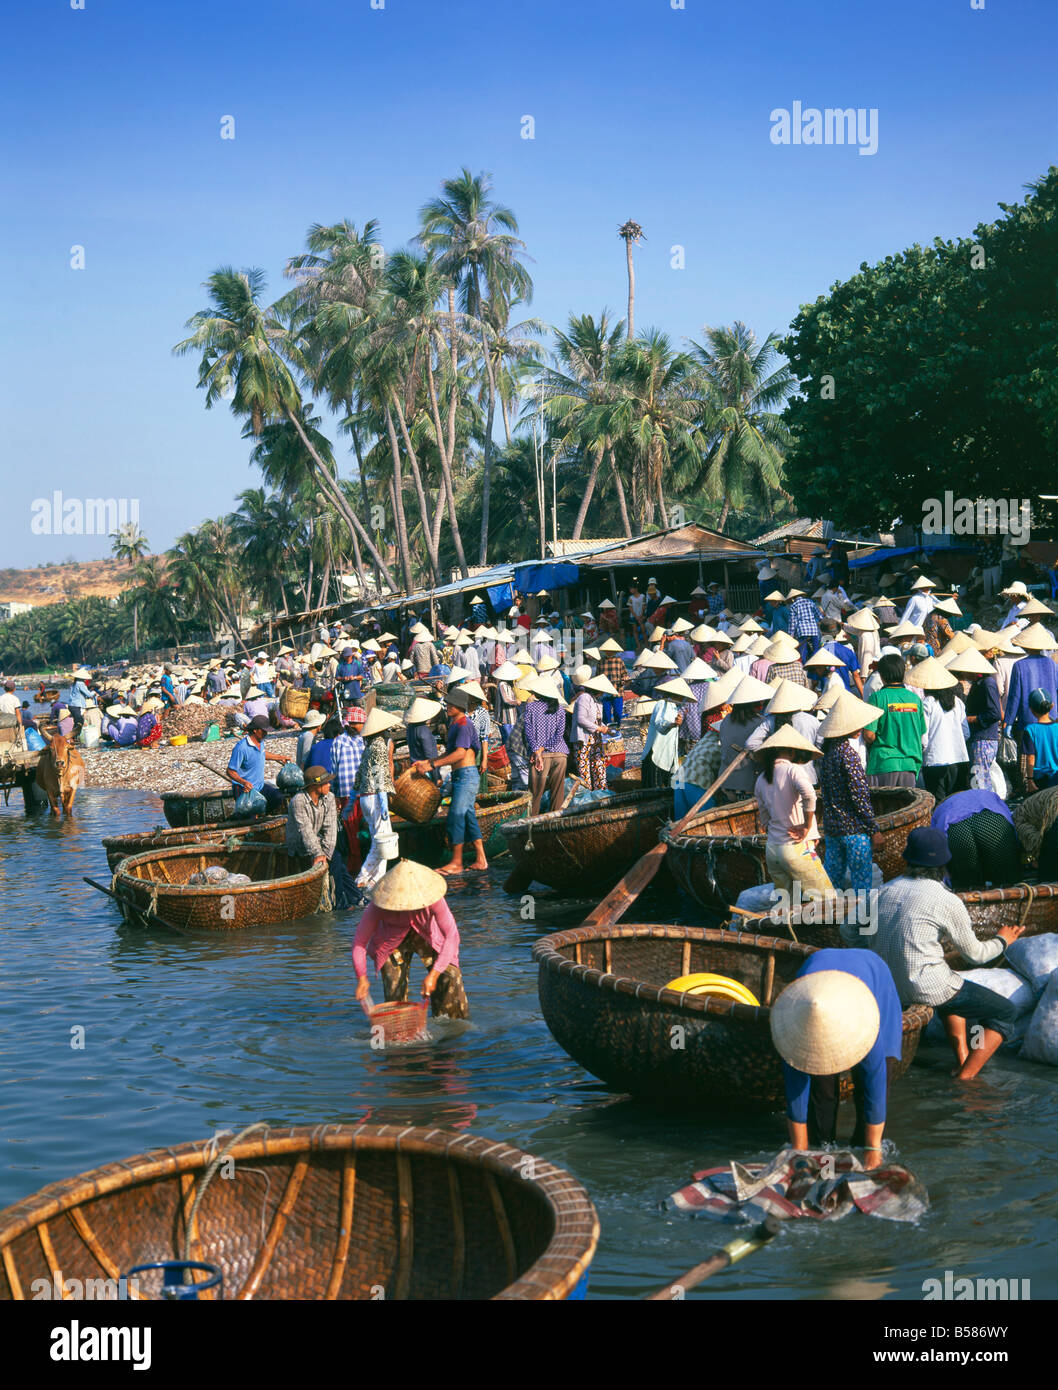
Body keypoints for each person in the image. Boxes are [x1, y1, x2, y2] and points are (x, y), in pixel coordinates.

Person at [850, 828, 1024, 1079]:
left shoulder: (882, 892)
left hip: (887, 986)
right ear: (944, 865)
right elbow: (976, 955)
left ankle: (962, 1059)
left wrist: (872, 949)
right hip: (925, 986)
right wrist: (1002, 940)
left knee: (949, 986)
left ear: (907, 860)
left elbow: (848, 930)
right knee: (1005, 1012)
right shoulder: (946, 899)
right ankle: (968, 1077)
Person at [771, 949, 903, 1165]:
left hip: (875, 978)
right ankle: (822, 1145)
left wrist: (872, 1150)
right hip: (814, 991)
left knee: (867, 1090)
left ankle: (862, 1143)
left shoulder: (865, 1023)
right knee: (821, 1092)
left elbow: (875, 1086)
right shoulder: (795, 1027)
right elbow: (797, 1091)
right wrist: (799, 1152)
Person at [353, 860, 469, 1020]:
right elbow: (359, 942)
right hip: (390, 942)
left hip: (427, 936)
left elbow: (452, 935)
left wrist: (434, 975)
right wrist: (362, 978)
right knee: (395, 995)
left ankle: (451, 1029)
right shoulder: (378, 905)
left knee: (450, 975)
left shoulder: (432, 899)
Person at [413, 687, 487, 874]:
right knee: (468, 815)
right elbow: (451, 752)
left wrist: (432, 765)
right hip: (461, 776)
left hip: (467, 775)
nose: (447, 706)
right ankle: (481, 859)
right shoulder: (456, 725)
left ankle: (456, 862)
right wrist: (429, 762)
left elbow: (461, 753)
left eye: (451, 704)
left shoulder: (463, 725)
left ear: (460, 706)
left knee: (456, 815)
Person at [754, 726, 833, 900]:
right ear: (791, 751)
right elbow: (810, 796)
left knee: (788, 904)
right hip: (795, 848)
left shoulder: (761, 779)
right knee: (827, 900)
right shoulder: (792, 770)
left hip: (773, 849)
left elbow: (765, 818)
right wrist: (806, 826)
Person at [817, 692, 882, 894]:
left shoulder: (828, 754)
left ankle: (832, 921)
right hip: (854, 830)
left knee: (833, 881)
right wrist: (874, 829)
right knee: (861, 885)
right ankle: (862, 922)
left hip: (833, 828)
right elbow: (860, 797)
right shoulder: (848, 754)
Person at [932, 787, 1021, 889]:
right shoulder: (985, 793)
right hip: (991, 821)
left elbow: (937, 843)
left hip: (955, 827)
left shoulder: (940, 809)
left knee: (969, 886)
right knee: (1006, 879)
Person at [355, 707, 402, 893]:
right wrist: (383, 798)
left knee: (380, 839)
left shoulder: (369, 747)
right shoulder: (380, 746)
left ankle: (376, 880)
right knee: (383, 842)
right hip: (375, 796)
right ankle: (363, 878)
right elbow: (380, 772)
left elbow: (359, 776)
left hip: (365, 797)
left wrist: (352, 800)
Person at [863, 653, 926, 789]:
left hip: (883, 764)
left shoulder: (877, 698)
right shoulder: (915, 699)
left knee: (884, 809)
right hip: (910, 765)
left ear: (882, 675)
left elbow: (868, 735)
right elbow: (921, 732)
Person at [286, 764, 339, 910]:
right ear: (316, 786)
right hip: (300, 847)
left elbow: (331, 828)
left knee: (337, 862)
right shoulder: (298, 801)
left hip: (319, 844)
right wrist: (317, 854)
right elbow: (306, 831)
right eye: (326, 782)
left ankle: (344, 901)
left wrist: (325, 856)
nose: (329, 784)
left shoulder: (329, 797)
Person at [917, 660, 969, 802]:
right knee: (955, 803)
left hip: (935, 760)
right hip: (958, 759)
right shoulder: (957, 702)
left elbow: (924, 737)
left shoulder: (928, 702)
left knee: (939, 804)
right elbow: (966, 733)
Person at [523, 674, 569, 816]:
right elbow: (559, 735)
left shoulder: (530, 707)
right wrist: (541, 750)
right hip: (560, 754)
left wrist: (537, 751)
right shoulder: (560, 709)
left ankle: (530, 826)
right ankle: (554, 824)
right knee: (557, 793)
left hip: (541, 756)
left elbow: (528, 732)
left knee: (535, 793)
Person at [226, 714, 289, 809]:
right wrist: (243, 782)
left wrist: (279, 757)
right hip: (244, 789)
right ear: (255, 730)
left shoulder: (260, 742)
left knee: (278, 797)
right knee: (249, 813)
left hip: (259, 786)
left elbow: (262, 754)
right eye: (264, 731)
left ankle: (264, 815)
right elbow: (230, 771)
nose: (266, 734)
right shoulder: (241, 748)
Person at [641, 677, 694, 789]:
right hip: (656, 755)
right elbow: (660, 724)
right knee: (653, 791)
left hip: (668, 756)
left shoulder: (675, 707)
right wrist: (673, 724)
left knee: (671, 789)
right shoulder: (662, 704)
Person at [571, 674, 615, 790]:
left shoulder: (598, 702)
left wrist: (607, 729)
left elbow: (597, 721)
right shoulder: (584, 698)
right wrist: (600, 729)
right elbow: (581, 720)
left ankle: (600, 791)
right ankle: (587, 794)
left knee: (599, 765)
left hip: (596, 739)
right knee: (584, 769)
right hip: (583, 740)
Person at [1023, 689, 1058, 792]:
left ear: (1031, 709)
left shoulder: (1030, 730)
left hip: (1040, 779)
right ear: (1052, 706)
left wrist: (1029, 780)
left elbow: (1030, 757)